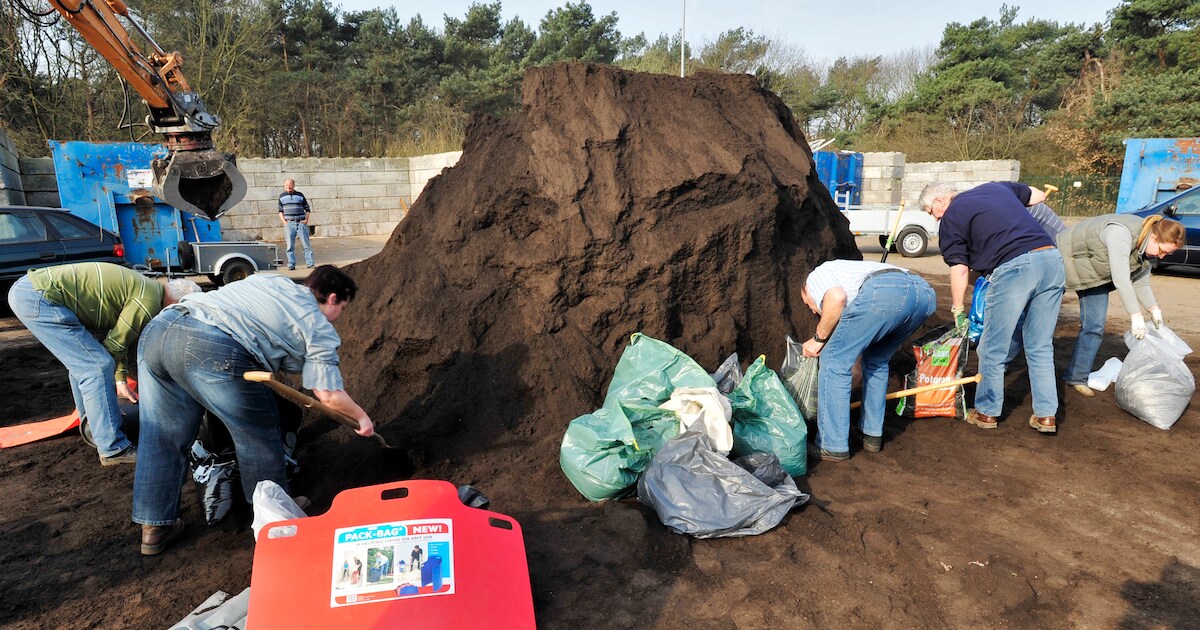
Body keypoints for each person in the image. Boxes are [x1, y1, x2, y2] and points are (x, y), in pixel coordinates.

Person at [132, 265, 374, 555]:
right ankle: (276, 515)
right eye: (342, 308)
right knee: (257, 430)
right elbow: (329, 395)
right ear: (333, 298)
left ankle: (155, 527)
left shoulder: (272, 281)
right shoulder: (318, 325)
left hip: (160, 329)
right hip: (210, 343)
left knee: (162, 435)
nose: (339, 317)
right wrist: (361, 418)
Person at [7, 262, 200, 466]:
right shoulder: (148, 301)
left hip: (33, 290)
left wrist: (121, 380)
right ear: (175, 302)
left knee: (85, 363)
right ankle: (113, 447)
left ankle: (92, 424)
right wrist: (120, 381)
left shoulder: (148, 288)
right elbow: (116, 344)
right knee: (96, 366)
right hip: (40, 297)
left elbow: (121, 342)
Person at [920, 181, 1065, 434]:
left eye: (931, 211)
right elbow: (1038, 196)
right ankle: (1046, 416)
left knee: (992, 345)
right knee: (1040, 345)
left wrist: (957, 310)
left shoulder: (951, 217)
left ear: (941, 200)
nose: (934, 217)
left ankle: (987, 412)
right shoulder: (997, 187)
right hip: (1052, 260)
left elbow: (960, 269)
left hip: (1014, 267)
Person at [801, 260, 936, 460]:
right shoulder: (848, 274)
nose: (812, 310)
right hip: (924, 295)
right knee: (876, 360)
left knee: (833, 360)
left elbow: (836, 298)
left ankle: (832, 444)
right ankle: (871, 434)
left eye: (808, 304)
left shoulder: (816, 276)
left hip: (888, 292)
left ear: (806, 291)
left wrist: (818, 339)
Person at [1059, 214, 1185, 396]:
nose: (1162, 256)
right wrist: (1135, 315)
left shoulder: (1147, 251)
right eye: (1162, 250)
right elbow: (1121, 279)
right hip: (1063, 262)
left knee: (1094, 327)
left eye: (1167, 254)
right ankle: (1004, 362)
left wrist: (1154, 308)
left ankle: (1077, 377)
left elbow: (1140, 282)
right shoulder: (1121, 233)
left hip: (1094, 275)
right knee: (1035, 318)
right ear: (1154, 237)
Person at [278, 178, 314, 270]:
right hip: (289, 224)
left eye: (290, 185)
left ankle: (310, 263)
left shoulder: (300, 195)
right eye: (286, 185)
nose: (288, 187)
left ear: (293, 185)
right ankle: (291, 264)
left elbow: (307, 209)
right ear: (284, 186)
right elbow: (280, 211)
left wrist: (306, 220)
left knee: (306, 245)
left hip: (301, 223)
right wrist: (285, 223)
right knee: (289, 246)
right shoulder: (282, 197)